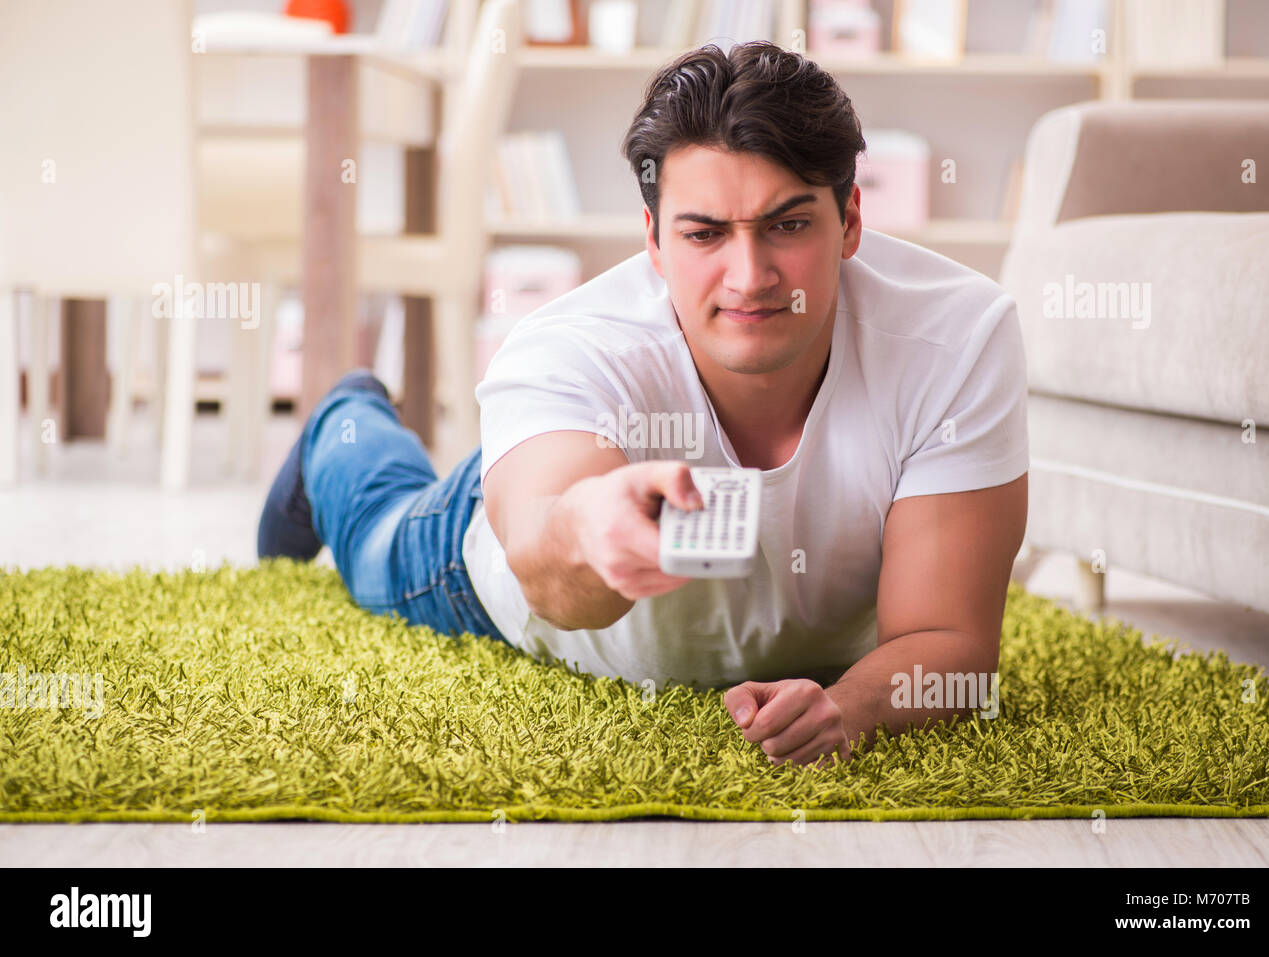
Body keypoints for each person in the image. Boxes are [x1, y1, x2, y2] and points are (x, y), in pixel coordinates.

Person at [259, 41, 1029, 770]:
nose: (749, 275)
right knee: (372, 539)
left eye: (788, 224)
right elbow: (547, 574)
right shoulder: (573, 345)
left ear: (851, 219)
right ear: (655, 242)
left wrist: (849, 706)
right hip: (493, 538)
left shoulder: (957, 338)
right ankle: (342, 425)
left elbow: (947, 636)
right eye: (705, 234)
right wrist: (592, 528)